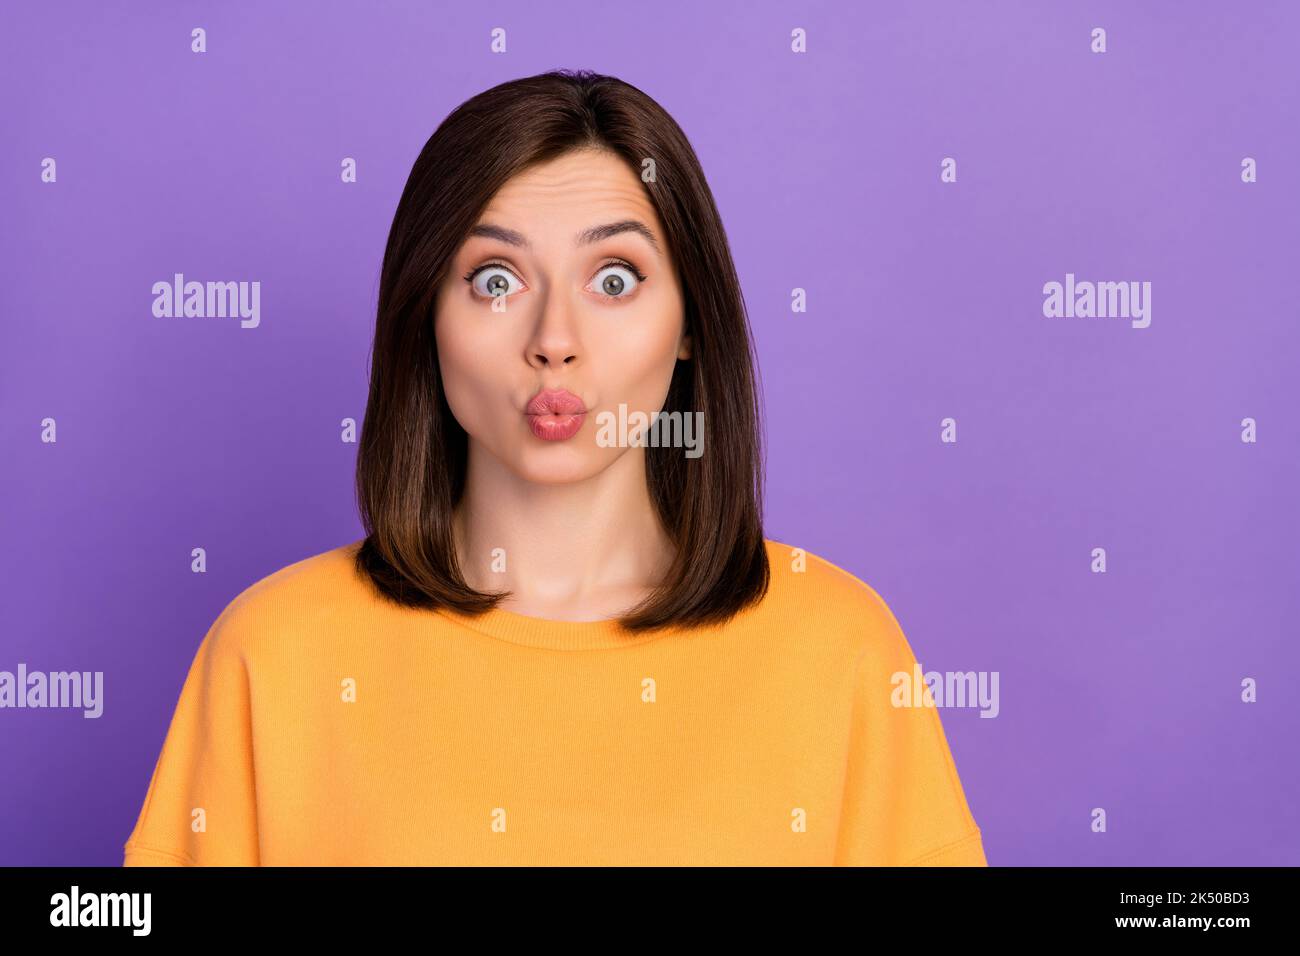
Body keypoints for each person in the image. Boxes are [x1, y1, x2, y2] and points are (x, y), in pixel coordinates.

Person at [122, 69, 986, 866]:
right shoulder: (272, 652)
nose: (553, 342)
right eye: (495, 280)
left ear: (691, 324)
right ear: (426, 315)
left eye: (614, 278)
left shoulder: (841, 650)